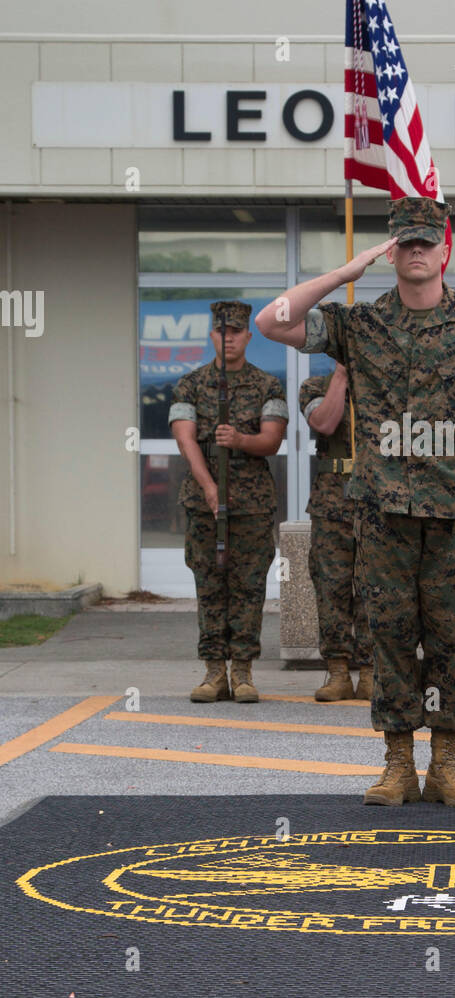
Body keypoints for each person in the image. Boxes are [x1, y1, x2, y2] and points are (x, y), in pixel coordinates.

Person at [256, 196, 455, 807]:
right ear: (391, 251)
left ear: (447, 248)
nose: (417, 251)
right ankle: (398, 763)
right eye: (406, 243)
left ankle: (448, 764)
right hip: (382, 514)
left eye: (427, 241)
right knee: (391, 636)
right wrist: (346, 275)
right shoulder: (360, 325)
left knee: (454, 637)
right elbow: (271, 321)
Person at [169, 301, 288, 703]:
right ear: (211, 336)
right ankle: (214, 672)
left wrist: (240, 441)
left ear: (248, 336)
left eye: (237, 331)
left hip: (252, 504)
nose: (230, 338)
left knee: (249, 587)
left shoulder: (268, 386)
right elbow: (185, 438)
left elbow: (272, 440)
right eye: (223, 331)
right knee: (209, 584)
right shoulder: (190, 384)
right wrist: (208, 486)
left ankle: (244, 672)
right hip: (205, 504)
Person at [299, 365, 373, 701]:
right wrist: (342, 378)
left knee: (375, 587)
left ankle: (373, 671)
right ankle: (338, 671)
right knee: (332, 587)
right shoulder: (315, 386)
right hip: (332, 500)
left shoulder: (385, 377)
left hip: (376, 498)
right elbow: (325, 423)